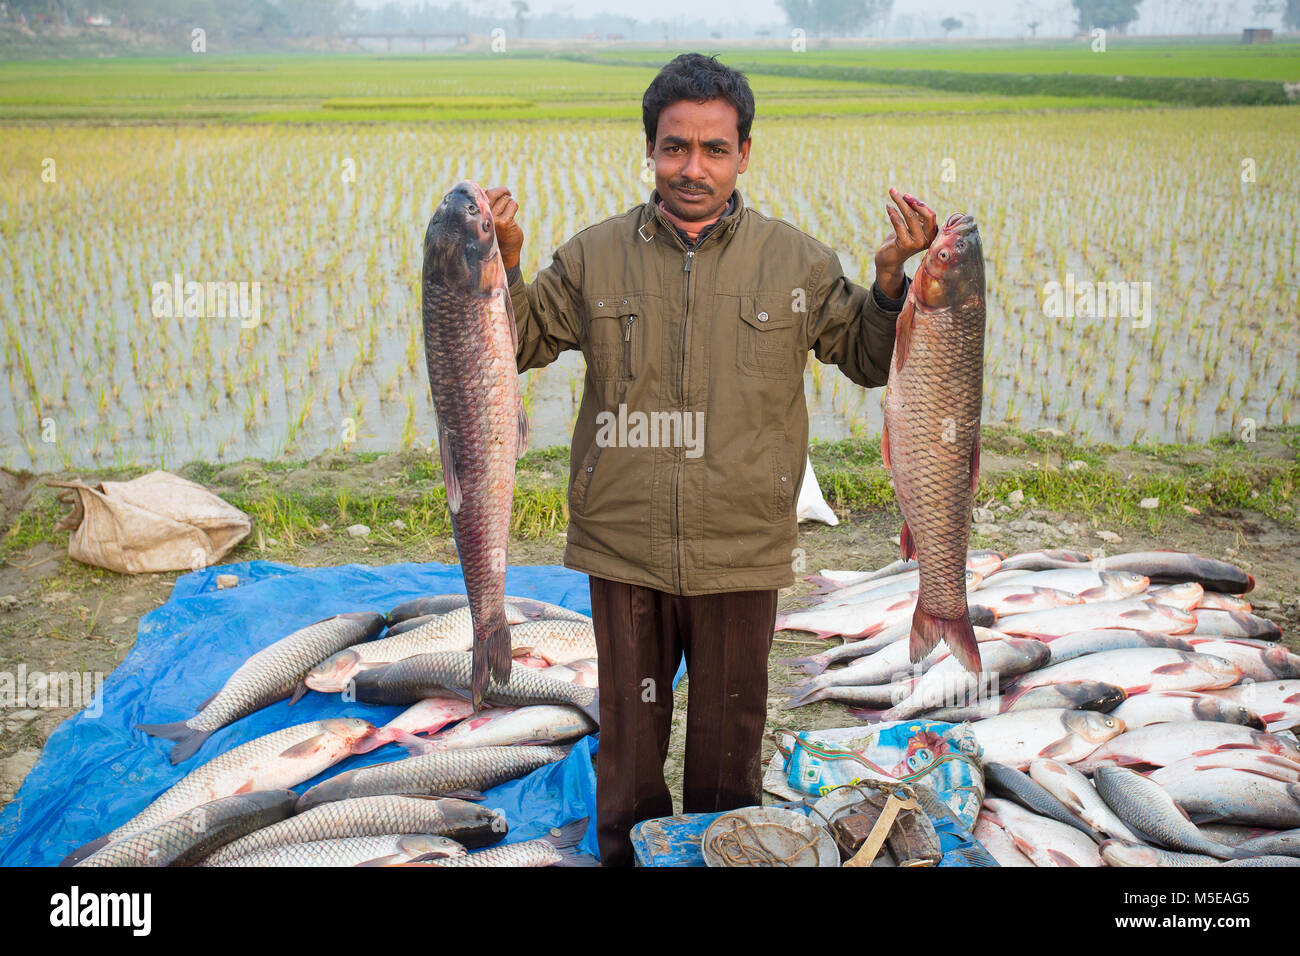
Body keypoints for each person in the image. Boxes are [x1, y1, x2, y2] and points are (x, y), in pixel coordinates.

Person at [486, 52, 939, 866]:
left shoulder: (794, 260)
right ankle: (627, 857)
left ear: (744, 154)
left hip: (741, 543)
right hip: (624, 543)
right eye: (674, 147)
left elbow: (870, 360)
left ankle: (719, 854)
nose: (693, 169)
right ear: (650, 149)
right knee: (628, 744)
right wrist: (506, 258)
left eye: (714, 149)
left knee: (730, 749)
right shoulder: (594, 256)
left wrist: (887, 281)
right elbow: (517, 340)